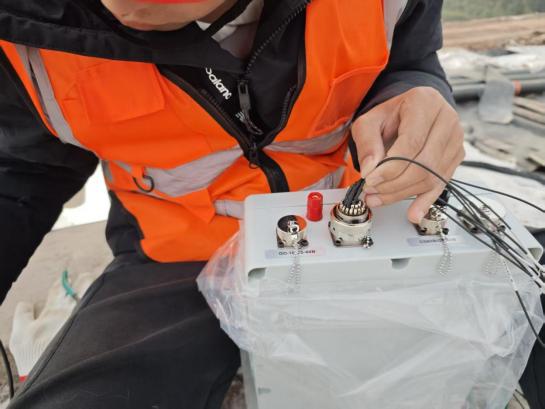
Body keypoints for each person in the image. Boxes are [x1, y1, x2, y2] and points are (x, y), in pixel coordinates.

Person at [0, 0, 466, 408]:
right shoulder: (24, 28)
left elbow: (408, 59)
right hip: (172, 257)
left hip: (347, 237)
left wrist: (414, 93)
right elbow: (23, 169)